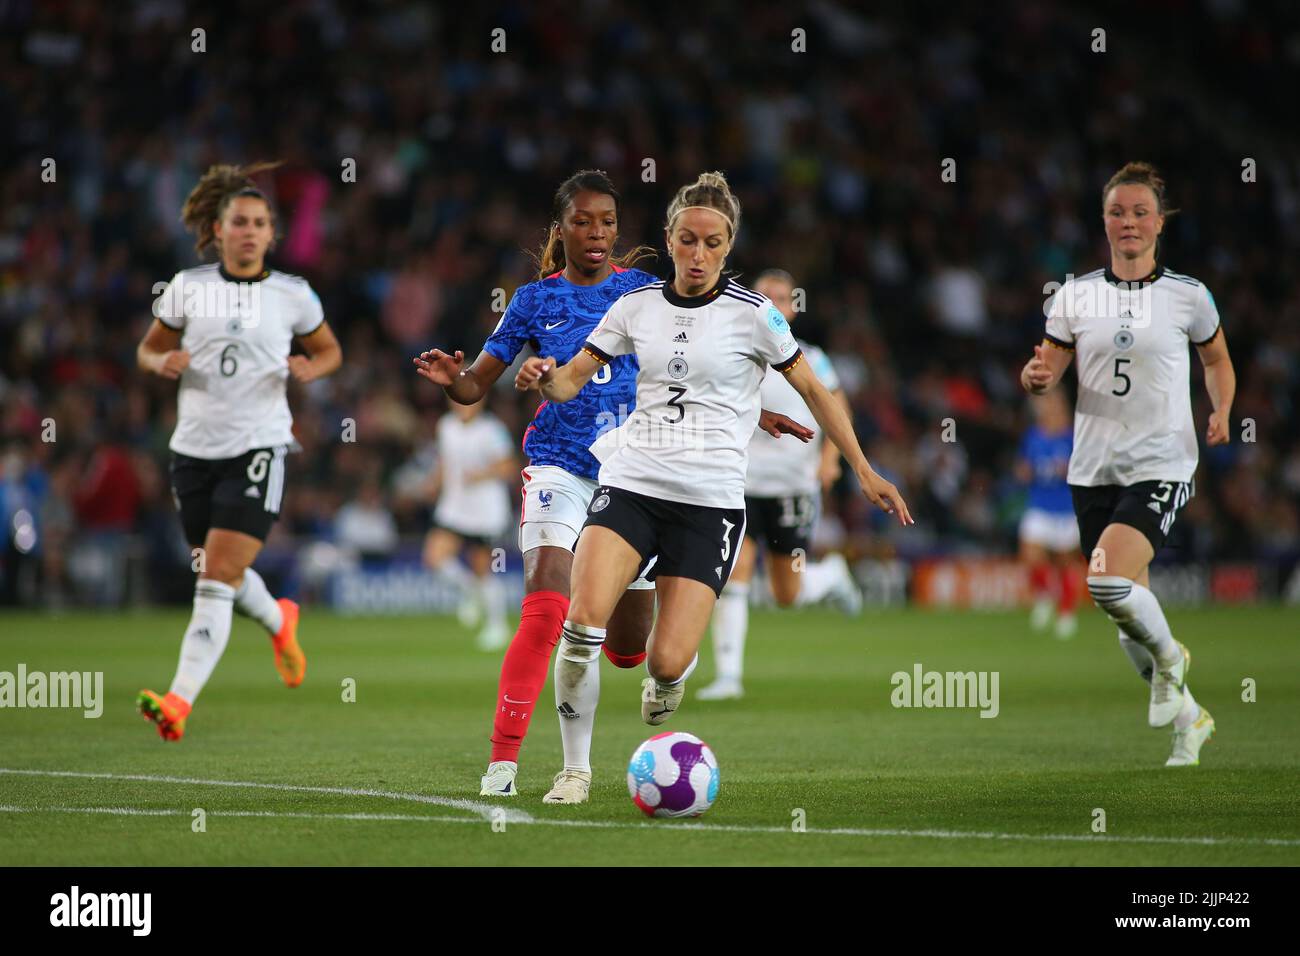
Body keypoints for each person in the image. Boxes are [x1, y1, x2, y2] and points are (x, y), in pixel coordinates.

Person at [516, 171, 912, 801]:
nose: (698, 254)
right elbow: (569, 382)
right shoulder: (634, 306)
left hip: (708, 503)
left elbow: (816, 391)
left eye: (713, 243)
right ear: (669, 239)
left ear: (729, 248)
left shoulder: (754, 318)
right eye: (687, 240)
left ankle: (669, 678)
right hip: (631, 484)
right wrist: (543, 376)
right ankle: (574, 771)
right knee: (583, 624)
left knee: (665, 662)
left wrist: (862, 467)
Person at [416, 170, 808, 802]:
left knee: (630, 651)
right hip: (560, 468)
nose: (596, 233)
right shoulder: (532, 302)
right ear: (561, 229)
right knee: (550, 611)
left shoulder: (645, 292)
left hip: (638, 476)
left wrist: (756, 412)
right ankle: (511, 763)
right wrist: (453, 378)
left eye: (607, 222)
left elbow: (696, 368)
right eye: (582, 221)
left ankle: (668, 659)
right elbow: (473, 389)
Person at [1020, 161, 1235, 767]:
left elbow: (1217, 360)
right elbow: (1047, 372)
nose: (1129, 222)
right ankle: (1190, 718)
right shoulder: (1074, 295)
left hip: (1162, 462)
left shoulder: (1188, 296)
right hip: (1092, 470)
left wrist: (1223, 407)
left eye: (1141, 212)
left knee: (1105, 579)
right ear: (1104, 221)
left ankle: (1173, 659)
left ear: (1160, 222)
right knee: (1124, 613)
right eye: (1118, 212)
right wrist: (1034, 378)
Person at [135, 162, 342, 741]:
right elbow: (147, 350)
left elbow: (330, 352)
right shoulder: (187, 287)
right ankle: (280, 619)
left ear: (271, 233)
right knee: (219, 568)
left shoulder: (292, 295)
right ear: (218, 230)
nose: (249, 231)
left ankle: (178, 701)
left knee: (215, 576)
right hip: (192, 451)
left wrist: (309, 366)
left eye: (259, 223)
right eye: (239, 222)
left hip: (258, 446)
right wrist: (161, 361)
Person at [697, 268, 862, 703]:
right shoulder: (734, 350)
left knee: (785, 593)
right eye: (763, 294)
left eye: (780, 296)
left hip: (791, 487)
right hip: (739, 483)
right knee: (735, 570)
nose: (771, 301)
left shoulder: (811, 356)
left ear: (792, 307)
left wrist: (830, 460)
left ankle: (830, 577)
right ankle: (729, 675)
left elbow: (836, 407)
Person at [422, 397, 516, 650]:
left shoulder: (492, 430)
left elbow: (509, 467)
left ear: (481, 401)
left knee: (482, 569)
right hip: (454, 506)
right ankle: (470, 592)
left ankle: (497, 626)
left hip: (485, 510)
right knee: (434, 557)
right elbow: (445, 461)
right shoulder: (446, 426)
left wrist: (482, 474)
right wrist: (434, 482)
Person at [1015, 388, 1080, 639]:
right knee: (1030, 555)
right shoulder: (1033, 437)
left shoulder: (1072, 437)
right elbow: (1023, 467)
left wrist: (1069, 471)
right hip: (1039, 506)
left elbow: (1085, 470)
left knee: (1065, 564)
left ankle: (1066, 613)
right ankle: (1044, 596)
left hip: (1065, 508)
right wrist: (1023, 473)